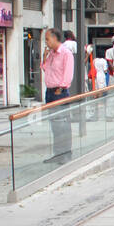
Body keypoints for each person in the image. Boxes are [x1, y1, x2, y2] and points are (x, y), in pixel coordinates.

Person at [40, 28, 74, 160]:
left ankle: (65, 153)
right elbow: (45, 69)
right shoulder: (51, 55)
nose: (46, 42)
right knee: (54, 124)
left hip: (59, 92)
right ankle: (58, 153)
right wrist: (45, 57)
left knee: (62, 124)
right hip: (49, 92)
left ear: (55, 38)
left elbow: (68, 74)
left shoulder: (66, 54)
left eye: (47, 39)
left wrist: (61, 87)